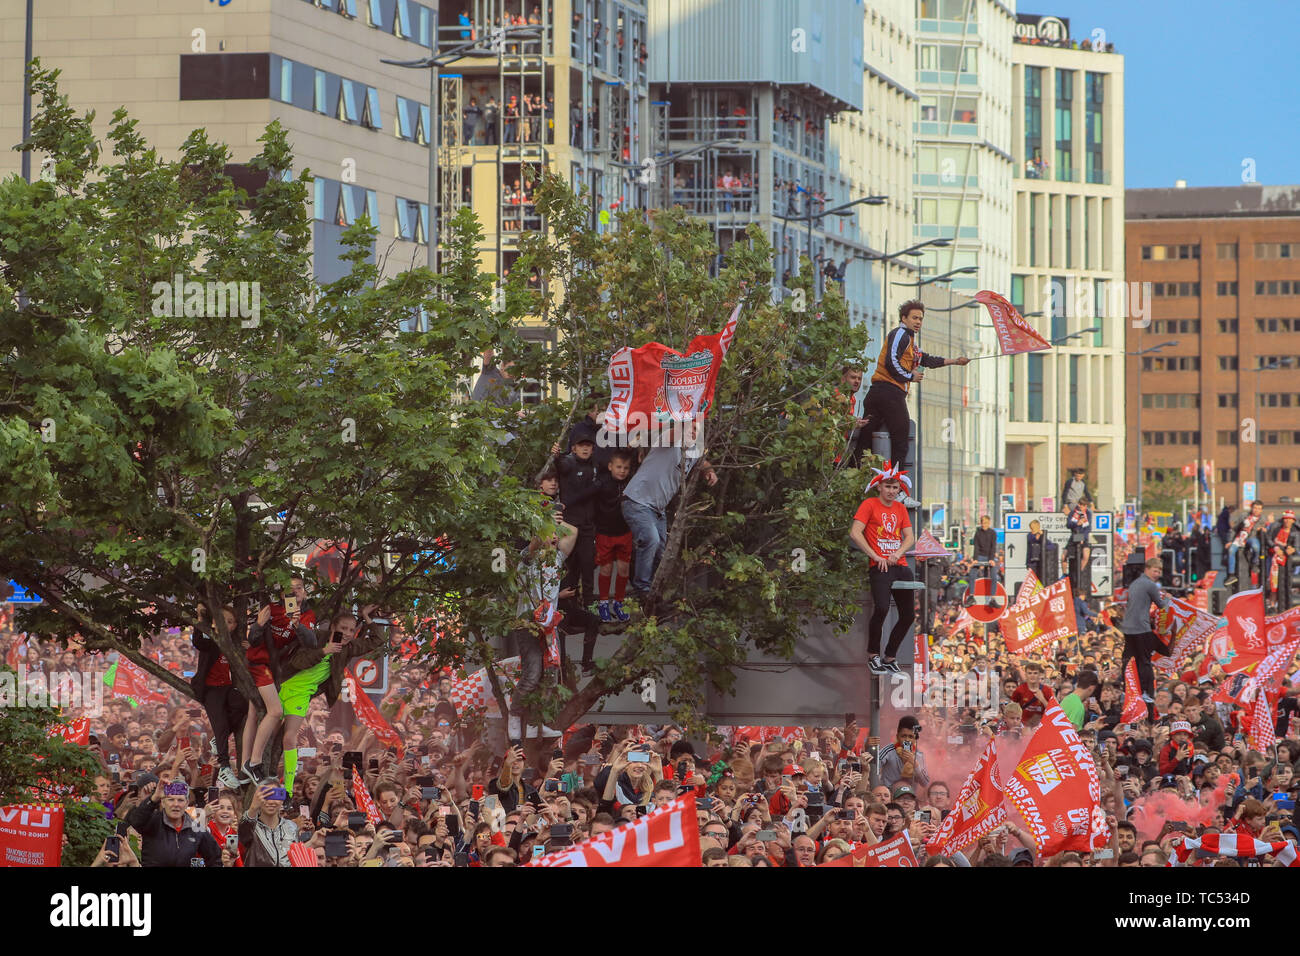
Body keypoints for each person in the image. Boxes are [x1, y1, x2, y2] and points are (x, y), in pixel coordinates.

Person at [273, 605, 389, 793]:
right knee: (269, 735)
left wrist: (366, 616)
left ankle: (287, 789)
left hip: (302, 695)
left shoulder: (348, 648)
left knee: (288, 738)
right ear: (333, 627)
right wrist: (324, 651)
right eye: (343, 628)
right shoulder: (317, 637)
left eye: (352, 630)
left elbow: (378, 640)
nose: (347, 633)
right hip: (281, 687)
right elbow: (298, 661)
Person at [859, 300, 970, 493]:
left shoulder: (911, 342)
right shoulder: (900, 334)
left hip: (880, 392)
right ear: (904, 318)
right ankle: (896, 488)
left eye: (921, 319)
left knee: (866, 438)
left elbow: (925, 359)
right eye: (914, 318)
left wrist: (954, 361)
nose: (918, 322)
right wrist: (910, 376)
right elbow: (891, 361)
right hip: (889, 392)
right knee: (901, 439)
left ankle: (855, 476)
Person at [620, 421, 717, 600]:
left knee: (662, 553)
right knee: (651, 539)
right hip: (637, 501)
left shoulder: (693, 451)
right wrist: (687, 412)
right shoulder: (669, 441)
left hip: (657, 510)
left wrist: (709, 471)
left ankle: (655, 592)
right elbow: (673, 433)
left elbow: (703, 461)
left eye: (698, 430)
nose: (694, 432)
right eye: (692, 428)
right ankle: (641, 588)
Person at [849, 464, 917, 676]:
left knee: (908, 615)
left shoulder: (900, 508)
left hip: (900, 565)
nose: (891, 491)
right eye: (888, 486)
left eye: (895, 487)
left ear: (899, 489)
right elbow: (855, 533)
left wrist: (898, 553)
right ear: (879, 486)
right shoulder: (869, 504)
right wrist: (875, 555)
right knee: (881, 608)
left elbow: (910, 537)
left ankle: (890, 656)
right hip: (879, 566)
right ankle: (873, 654)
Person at [191, 603, 249, 788]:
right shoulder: (211, 638)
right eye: (223, 620)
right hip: (210, 689)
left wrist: (248, 648)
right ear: (214, 621)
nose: (227, 624)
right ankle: (224, 767)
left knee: (244, 705)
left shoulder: (233, 644)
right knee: (220, 723)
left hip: (227, 687)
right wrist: (200, 618)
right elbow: (199, 641)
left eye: (231, 622)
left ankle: (219, 738)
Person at [124, 778, 223, 867]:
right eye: (171, 800)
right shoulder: (152, 822)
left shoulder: (195, 828)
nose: (176, 804)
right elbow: (135, 821)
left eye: (180, 800)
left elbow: (215, 858)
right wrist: (153, 798)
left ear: (187, 803)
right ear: (163, 802)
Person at [1121, 557, 1172, 719]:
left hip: (1128, 629)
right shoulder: (1150, 585)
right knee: (1145, 661)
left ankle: (1128, 685)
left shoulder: (1135, 583)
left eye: (1159, 572)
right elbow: (1162, 605)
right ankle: (1145, 692)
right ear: (1148, 569)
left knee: (1129, 659)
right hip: (1141, 628)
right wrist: (1169, 597)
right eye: (1155, 571)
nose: (1157, 574)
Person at [593, 449, 636, 629]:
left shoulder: (632, 482)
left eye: (625, 468)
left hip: (625, 532)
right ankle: (603, 602)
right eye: (619, 467)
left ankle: (618, 602)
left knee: (624, 568)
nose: (622, 471)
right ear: (610, 466)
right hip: (604, 533)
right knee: (606, 568)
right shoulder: (601, 483)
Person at [238, 782, 299, 867]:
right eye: (266, 796)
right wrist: (253, 807)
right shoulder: (251, 827)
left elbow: (294, 856)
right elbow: (242, 832)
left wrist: (313, 843)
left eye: (275, 796)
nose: (270, 801)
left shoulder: (291, 826)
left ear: (282, 799)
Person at [877, 715, 929, 790]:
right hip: (890, 797)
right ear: (897, 736)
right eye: (904, 736)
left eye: (911, 737)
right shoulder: (888, 751)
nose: (907, 740)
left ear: (915, 739)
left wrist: (915, 764)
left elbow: (925, 783)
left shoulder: (918, 755)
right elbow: (874, 769)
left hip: (909, 798)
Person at [1227, 500, 1265, 587]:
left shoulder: (1262, 519)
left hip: (1251, 538)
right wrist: (1230, 541)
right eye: (1255, 508)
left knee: (1256, 546)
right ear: (1251, 508)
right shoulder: (1244, 516)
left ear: (1261, 510)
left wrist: (1260, 529)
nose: (1256, 510)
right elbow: (1235, 528)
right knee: (1231, 551)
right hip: (1240, 537)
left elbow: (1259, 529)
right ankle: (1231, 575)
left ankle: (1255, 563)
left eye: (1259, 509)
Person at [1266, 509, 1297, 609]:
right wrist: (1275, 548)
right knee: (1273, 585)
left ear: (1293, 520)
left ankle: (1288, 607)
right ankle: (1272, 606)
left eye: (1289, 519)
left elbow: (1296, 547)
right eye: (1285, 519)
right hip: (1273, 561)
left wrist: (1293, 549)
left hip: (1288, 564)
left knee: (1288, 585)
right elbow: (1269, 540)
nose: (1287, 521)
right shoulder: (1276, 529)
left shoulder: (1295, 532)